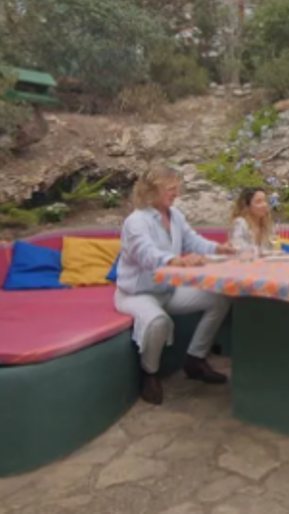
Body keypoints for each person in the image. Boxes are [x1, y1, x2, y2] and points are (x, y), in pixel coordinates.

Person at [114, 166, 237, 405]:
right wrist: (175, 260)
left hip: (167, 290)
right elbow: (146, 253)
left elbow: (193, 240)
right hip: (137, 294)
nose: (177, 192)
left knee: (220, 298)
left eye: (176, 187)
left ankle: (195, 359)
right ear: (152, 191)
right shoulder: (136, 222)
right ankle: (150, 374)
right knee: (159, 321)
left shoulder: (174, 215)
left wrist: (219, 249)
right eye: (171, 188)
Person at [229, 187, 273, 253]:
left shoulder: (266, 225)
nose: (264, 205)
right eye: (259, 202)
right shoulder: (240, 223)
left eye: (265, 201)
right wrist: (258, 251)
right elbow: (237, 246)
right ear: (247, 206)